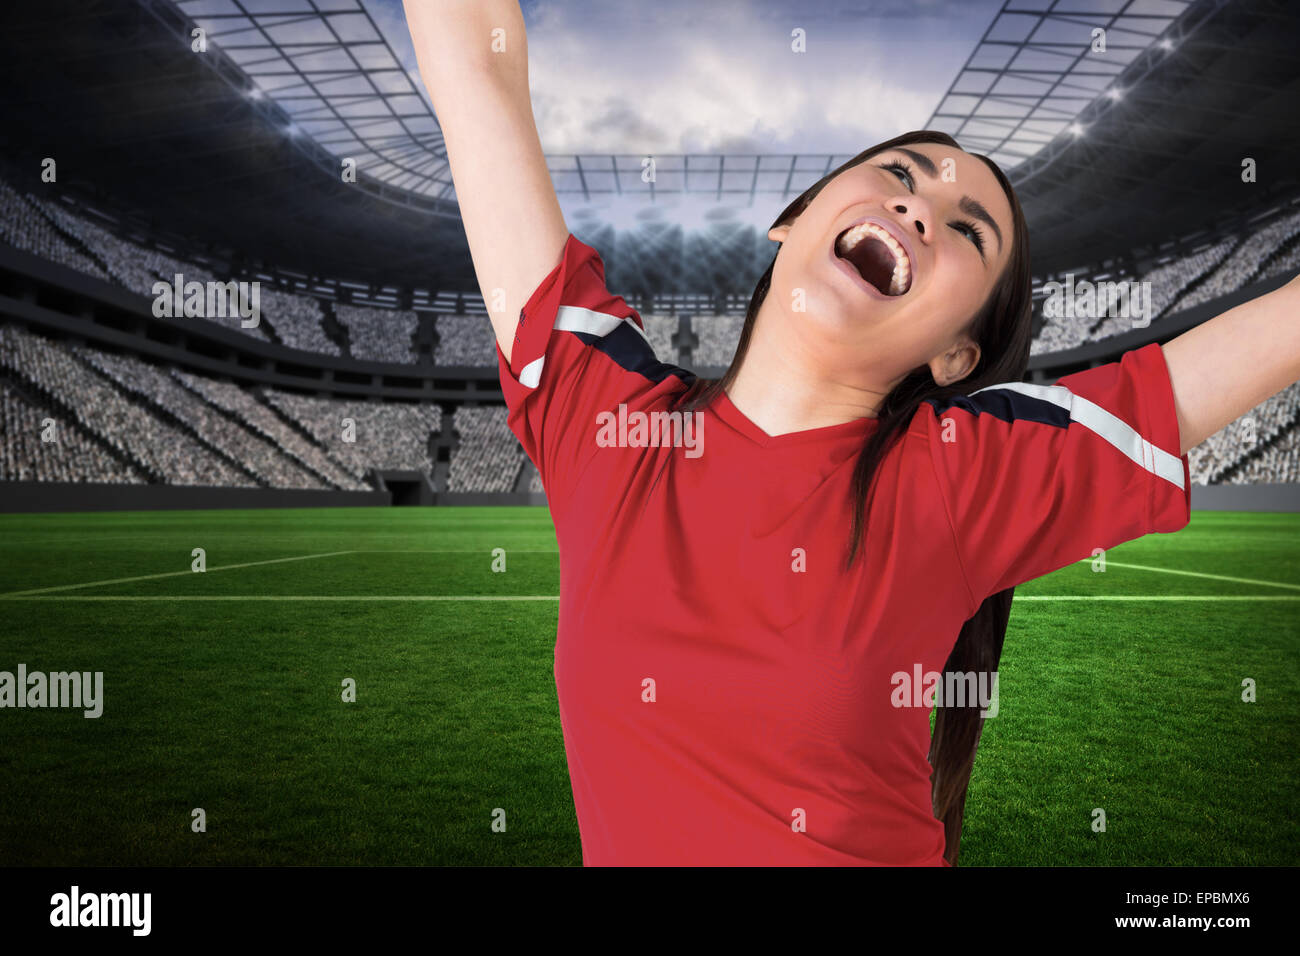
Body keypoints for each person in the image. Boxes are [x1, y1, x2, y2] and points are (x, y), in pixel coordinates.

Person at [404, 0, 1300, 865]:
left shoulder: (959, 477)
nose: (919, 209)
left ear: (957, 353)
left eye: (967, 231)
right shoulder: (607, 421)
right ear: (792, 219)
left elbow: (1239, 353)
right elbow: (476, 69)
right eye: (901, 175)